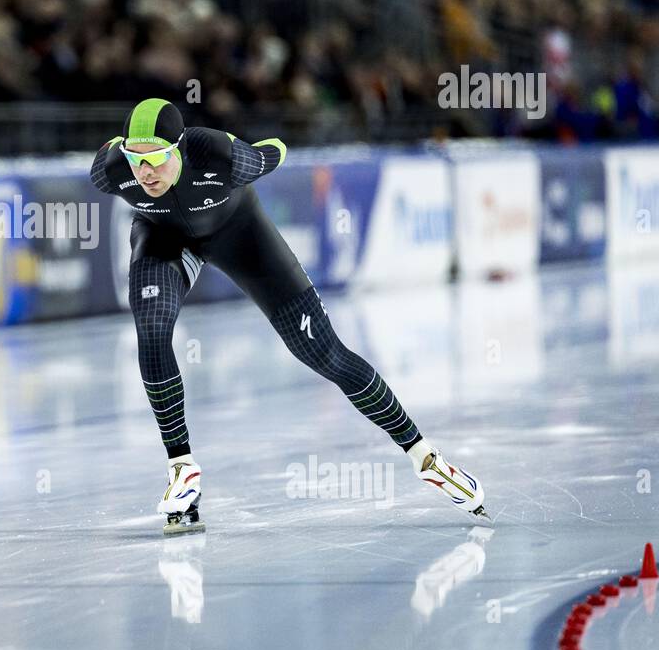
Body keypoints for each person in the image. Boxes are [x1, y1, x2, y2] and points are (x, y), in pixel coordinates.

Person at [90, 98, 489, 533]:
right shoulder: (111, 169)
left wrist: (268, 147)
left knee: (324, 354)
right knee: (151, 329)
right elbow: (119, 159)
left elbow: (273, 149)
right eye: (135, 158)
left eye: (155, 159)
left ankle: (425, 457)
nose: (144, 172)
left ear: (180, 149)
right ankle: (181, 469)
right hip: (163, 239)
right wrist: (124, 154)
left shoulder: (218, 154)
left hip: (239, 234)